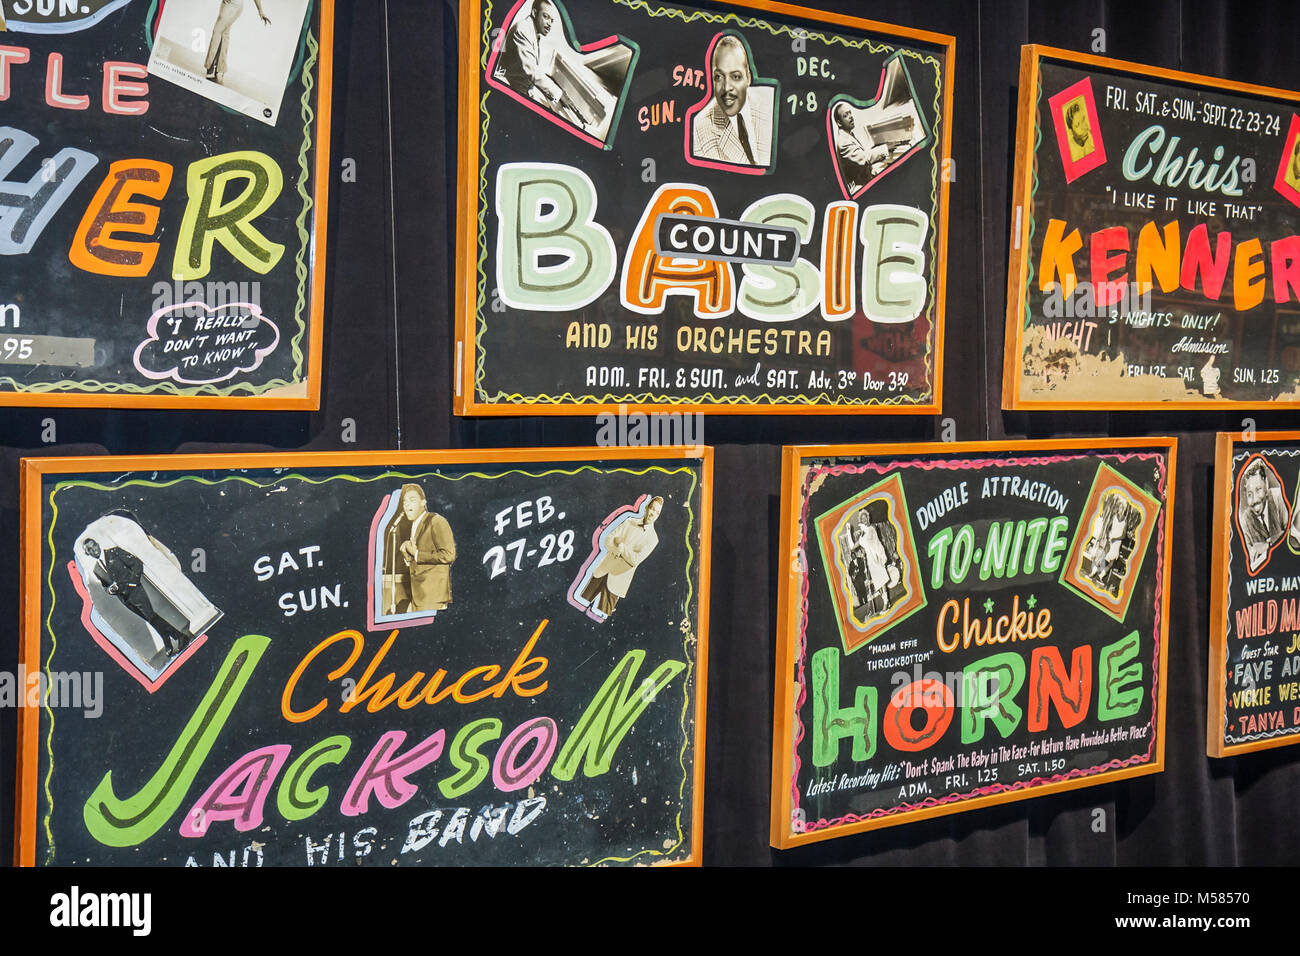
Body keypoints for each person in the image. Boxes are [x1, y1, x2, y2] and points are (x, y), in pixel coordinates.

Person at [83, 538, 191, 657]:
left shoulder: (114, 552)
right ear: (88, 554)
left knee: (151, 617)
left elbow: (137, 563)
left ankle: (179, 637)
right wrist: (109, 590)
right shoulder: (96, 570)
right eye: (89, 550)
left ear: (98, 544)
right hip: (124, 599)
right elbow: (106, 587)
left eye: (93, 546)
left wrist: (133, 582)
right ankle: (168, 640)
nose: (93, 550)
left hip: (135, 591)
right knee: (150, 619)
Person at [691, 34, 772, 167]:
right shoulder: (700, 131)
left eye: (735, 76)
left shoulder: (770, 105)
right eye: (719, 77)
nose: (726, 87)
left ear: (748, 77)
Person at [580, 496, 662, 618]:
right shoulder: (629, 521)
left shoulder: (653, 539)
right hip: (601, 571)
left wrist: (621, 545)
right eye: (652, 509)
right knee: (579, 605)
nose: (653, 514)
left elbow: (635, 560)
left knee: (600, 618)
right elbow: (608, 539)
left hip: (617, 582)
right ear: (646, 508)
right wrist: (617, 548)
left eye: (657, 512)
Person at [398, 483, 456, 612]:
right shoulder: (414, 525)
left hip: (432, 597)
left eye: (412, 500)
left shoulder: (436, 521)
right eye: (404, 502)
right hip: (418, 596)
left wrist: (417, 554)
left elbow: (448, 555)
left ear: (423, 502)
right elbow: (418, 561)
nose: (407, 505)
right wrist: (407, 555)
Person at [498, 0, 565, 107]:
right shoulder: (523, 30)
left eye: (552, 21)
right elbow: (532, 71)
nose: (549, 24)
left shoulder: (531, 31)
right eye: (546, 17)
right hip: (509, 85)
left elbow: (532, 68)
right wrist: (559, 94)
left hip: (519, 85)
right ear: (534, 13)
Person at [205, 0, 271, 85]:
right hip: (226, 3)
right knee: (224, 33)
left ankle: (211, 67)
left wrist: (260, 11)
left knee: (217, 31)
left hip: (234, 5)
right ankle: (220, 69)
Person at [1240, 463, 1287, 572]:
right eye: (1249, 494)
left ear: (1266, 484)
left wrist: (1268, 545)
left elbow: (1292, 535)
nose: (1254, 500)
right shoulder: (1245, 520)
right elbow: (1249, 559)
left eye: (1258, 490)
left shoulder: (1279, 498)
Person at [832, 102, 889, 192]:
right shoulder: (843, 141)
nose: (850, 116)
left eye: (850, 113)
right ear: (839, 123)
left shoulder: (848, 135)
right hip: (860, 187)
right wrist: (886, 148)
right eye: (845, 115)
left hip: (864, 179)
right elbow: (864, 158)